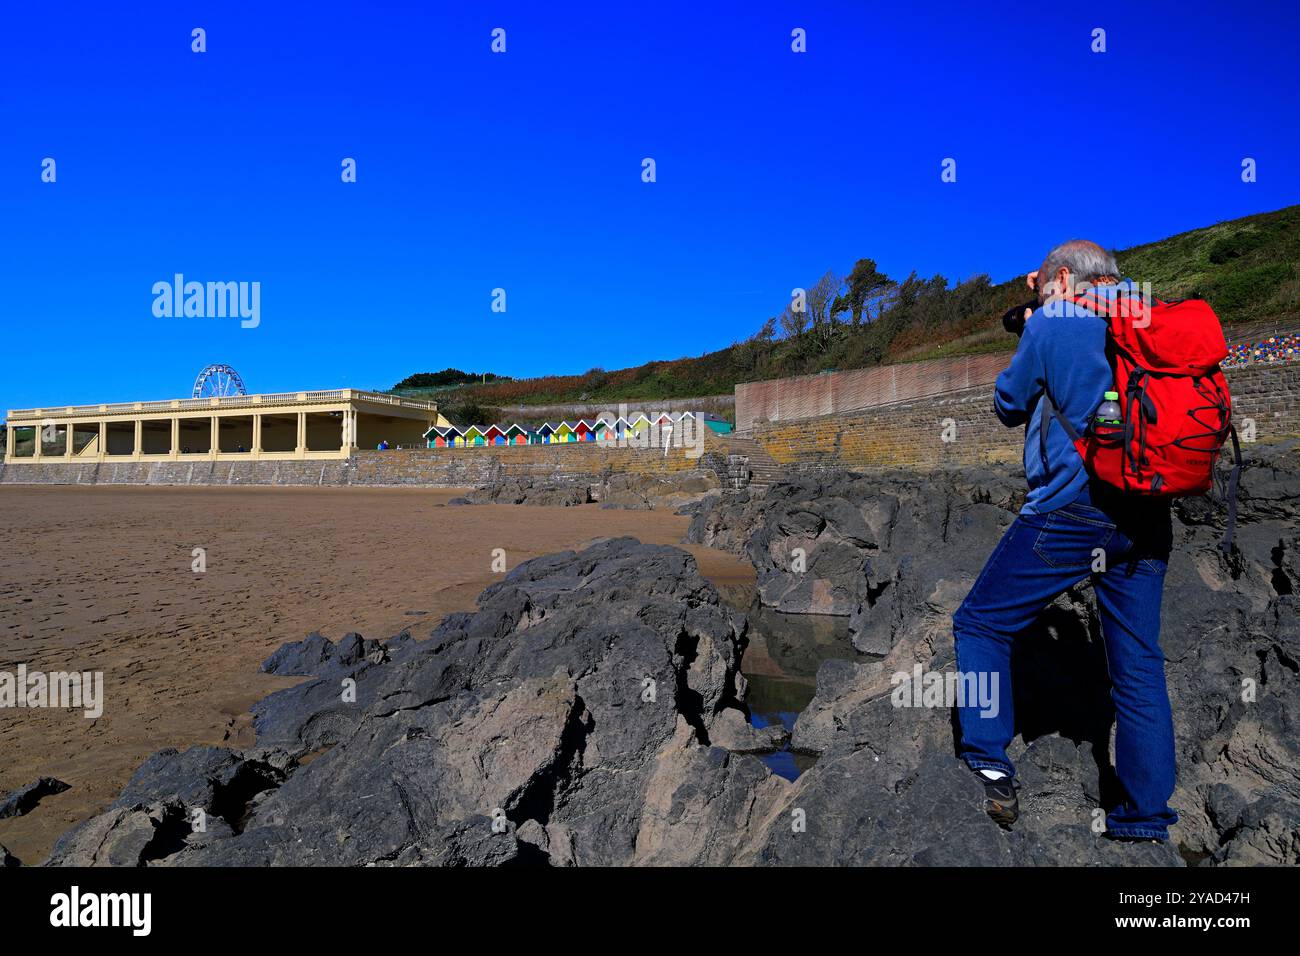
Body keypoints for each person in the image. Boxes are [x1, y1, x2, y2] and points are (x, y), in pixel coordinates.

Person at [953, 239, 1177, 843]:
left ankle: (990, 765)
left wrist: (1038, 326)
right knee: (1138, 668)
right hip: (1149, 514)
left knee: (980, 624)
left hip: (1075, 509)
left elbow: (1008, 402)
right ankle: (1145, 819)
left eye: (1045, 284)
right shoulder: (1150, 315)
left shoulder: (1056, 319)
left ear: (1059, 279)